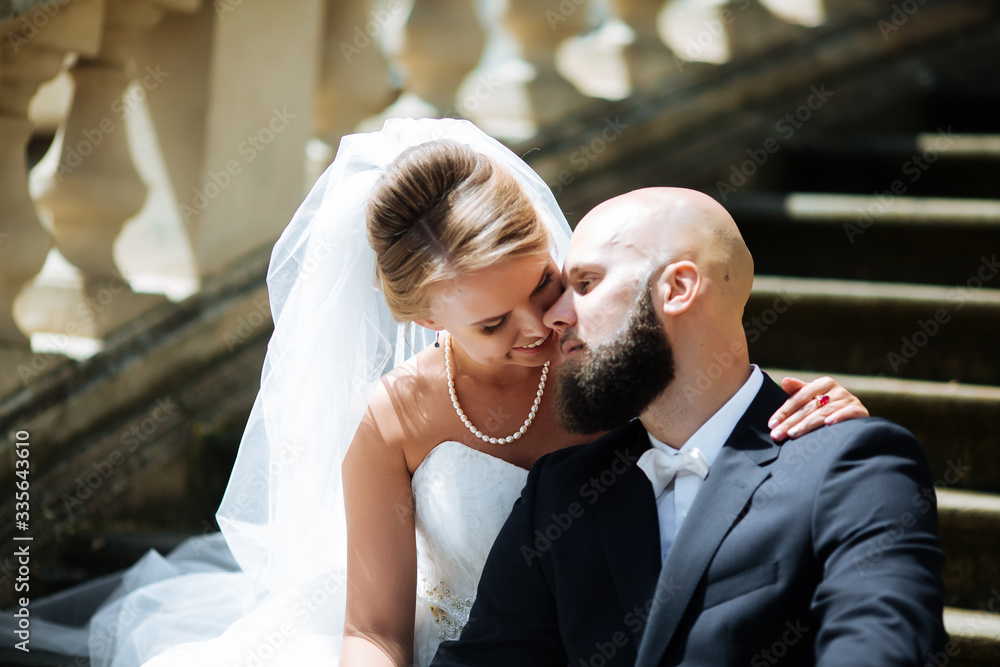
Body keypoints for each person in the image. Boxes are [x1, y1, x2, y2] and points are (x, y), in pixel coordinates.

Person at [13, 119, 867, 666]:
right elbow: (375, 630)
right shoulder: (395, 419)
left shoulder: (600, 351)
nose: (541, 330)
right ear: (425, 319)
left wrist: (811, 409)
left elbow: (712, 393)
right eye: (490, 325)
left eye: (543, 287)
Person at [431, 187, 947, 667]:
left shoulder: (852, 465)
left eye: (585, 284)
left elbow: (880, 649)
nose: (554, 317)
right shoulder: (559, 493)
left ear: (677, 288)